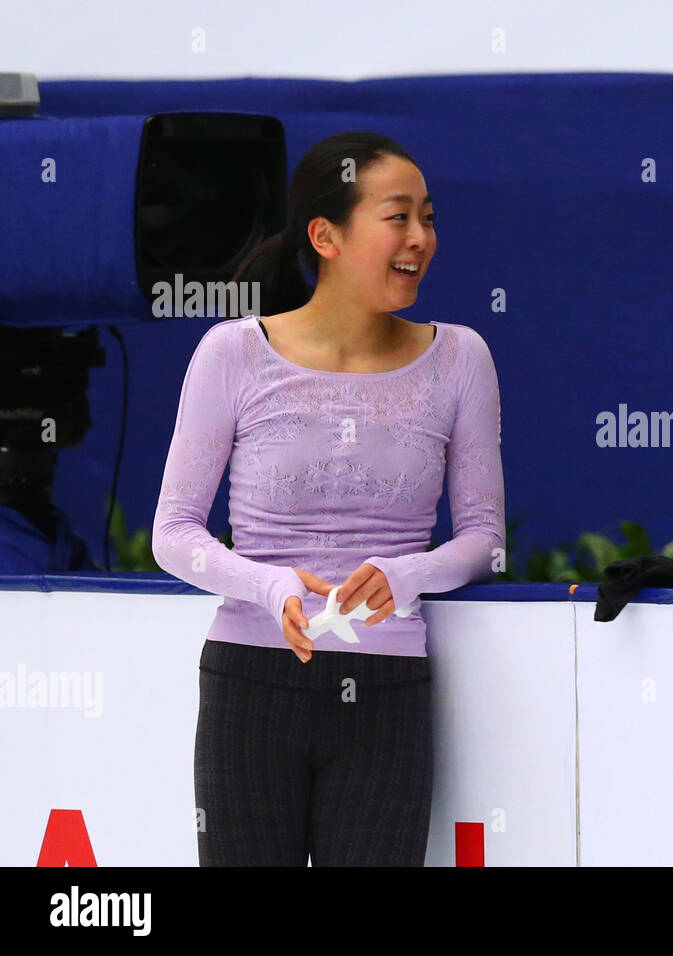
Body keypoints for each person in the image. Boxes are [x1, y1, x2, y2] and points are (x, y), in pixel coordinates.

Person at [151, 131, 505, 865]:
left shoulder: (460, 357)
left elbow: (484, 538)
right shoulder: (232, 352)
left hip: (386, 688)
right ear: (327, 235)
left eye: (429, 218)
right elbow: (175, 531)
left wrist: (410, 573)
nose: (421, 238)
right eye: (398, 216)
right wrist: (268, 582)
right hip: (251, 679)